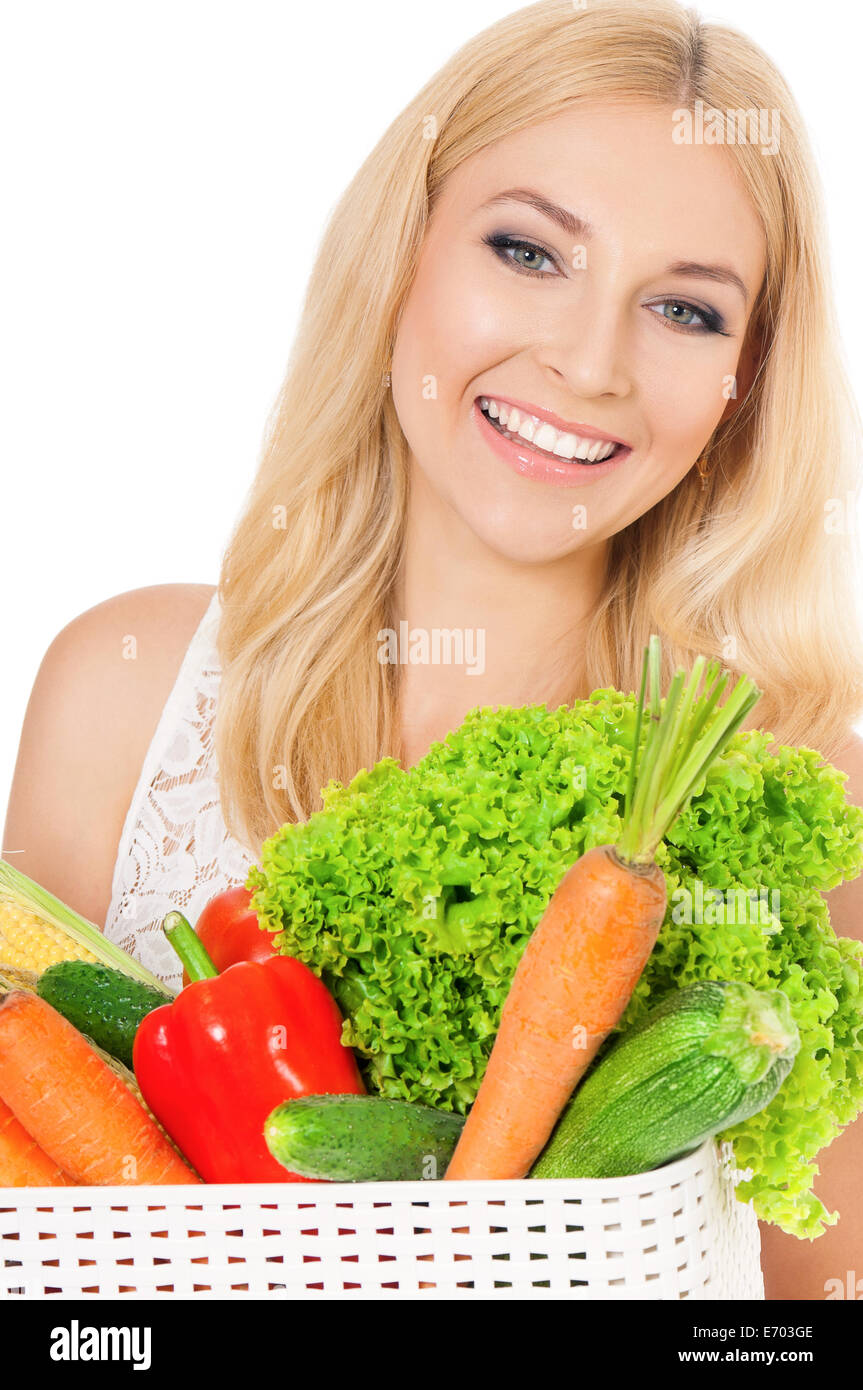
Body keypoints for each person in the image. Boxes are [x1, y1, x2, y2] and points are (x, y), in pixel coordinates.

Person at [6, 0, 863, 1299]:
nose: (586, 361)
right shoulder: (118, 693)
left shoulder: (804, 799)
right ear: (403, 249)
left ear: (747, 377)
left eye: (685, 311)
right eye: (528, 248)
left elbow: (812, 1312)